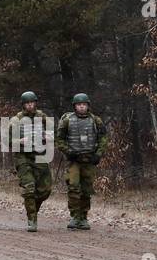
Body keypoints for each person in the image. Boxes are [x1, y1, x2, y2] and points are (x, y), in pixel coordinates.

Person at [55, 92, 108, 230]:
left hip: (89, 159)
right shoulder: (67, 120)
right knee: (73, 187)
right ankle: (75, 217)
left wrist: (98, 154)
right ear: (74, 106)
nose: (82, 107)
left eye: (84, 104)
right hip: (74, 160)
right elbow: (59, 139)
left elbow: (103, 137)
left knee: (86, 190)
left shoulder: (96, 120)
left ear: (88, 106)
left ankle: (83, 217)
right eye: (79, 105)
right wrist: (67, 151)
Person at [9, 91, 53, 231]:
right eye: (27, 103)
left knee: (45, 190)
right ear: (23, 104)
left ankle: (32, 208)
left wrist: (49, 136)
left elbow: (55, 132)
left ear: (35, 103)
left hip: (40, 156)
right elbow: (5, 140)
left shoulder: (43, 117)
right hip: (23, 158)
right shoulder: (16, 120)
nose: (30, 105)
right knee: (29, 188)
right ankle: (32, 220)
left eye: (32, 102)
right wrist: (19, 140)